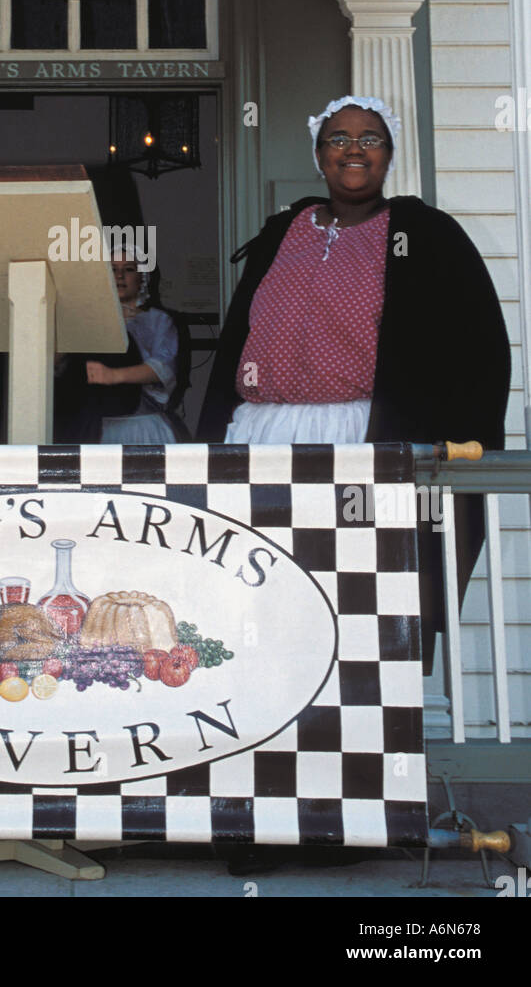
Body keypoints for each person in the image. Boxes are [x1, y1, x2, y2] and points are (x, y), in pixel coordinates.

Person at [198, 94, 511, 671]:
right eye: (338, 139)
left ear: (389, 155)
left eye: (370, 139)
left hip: (363, 435)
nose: (353, 150)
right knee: (262, 589)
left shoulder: (425, 235)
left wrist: (452, 436)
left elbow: (475, 347)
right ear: (319, 155)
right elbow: (240, 334)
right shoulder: (283, 232)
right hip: (263, 434)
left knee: (356, 597)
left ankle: (361, 716)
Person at [55, 254, 186, 445]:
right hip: (89, 427)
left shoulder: (158, 321)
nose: (119, 275)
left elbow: (163, 368)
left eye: (129, 269)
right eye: (113, 269)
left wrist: (113, 375)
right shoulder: (85, 321)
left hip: (140, 427)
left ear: (142, 277)